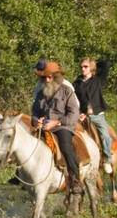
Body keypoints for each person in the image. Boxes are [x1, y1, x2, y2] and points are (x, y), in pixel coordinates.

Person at [31, 59, 82, 194]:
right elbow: (35, 111)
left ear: (56, 77)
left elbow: (74, 113)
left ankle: (75, 179)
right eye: (44, 77)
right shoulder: (41, 92)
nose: (47, 80)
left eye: (49, 77)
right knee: (27, 142)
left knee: (66, 145)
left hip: (63, 127)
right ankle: (22, 175)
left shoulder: (67, 91)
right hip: (44, 127)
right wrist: (36, 121)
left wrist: (57, 122)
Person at [74, 57, 114, 175]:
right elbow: (73, 100)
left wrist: (94, 62)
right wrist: (79, 113)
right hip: (81, 116)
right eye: (81, 67)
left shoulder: (98, 80)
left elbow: (107, 63)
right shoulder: (76, 83)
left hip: (97, 115)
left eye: (85, 67)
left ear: (91, 68)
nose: (83, 69)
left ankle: (107, 159)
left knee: (106, 136)